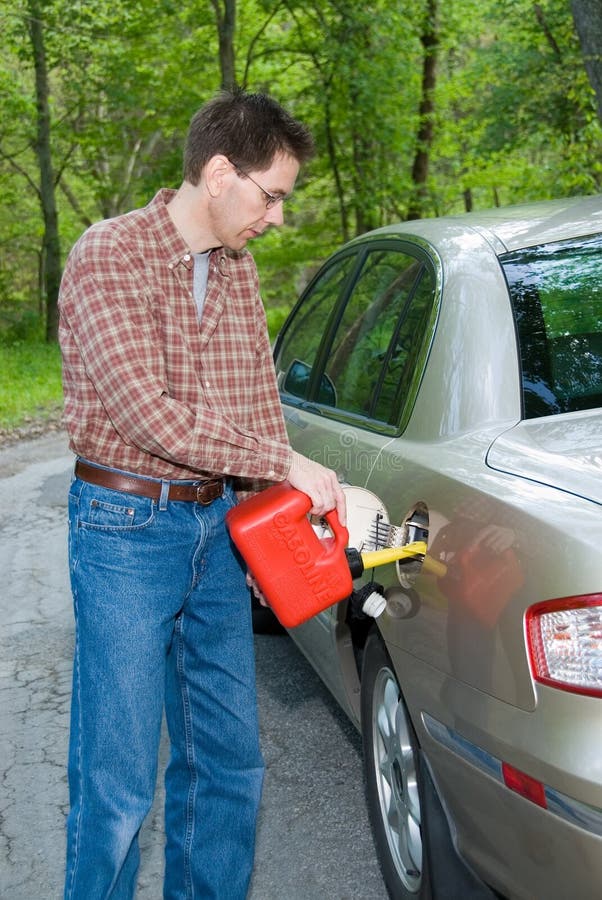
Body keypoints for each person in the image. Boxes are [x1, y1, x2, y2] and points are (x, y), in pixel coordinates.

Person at [58, 89, 345, 900]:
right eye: (273, 195)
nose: (277, 218)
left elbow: (257, 406)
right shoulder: (107, 255)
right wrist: (281, 462)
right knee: (115, 786)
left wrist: (275, 520)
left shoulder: (237, 271)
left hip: (218, 529)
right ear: (220, 173)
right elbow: (148, 414)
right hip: (123, 530)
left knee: (229, 765)